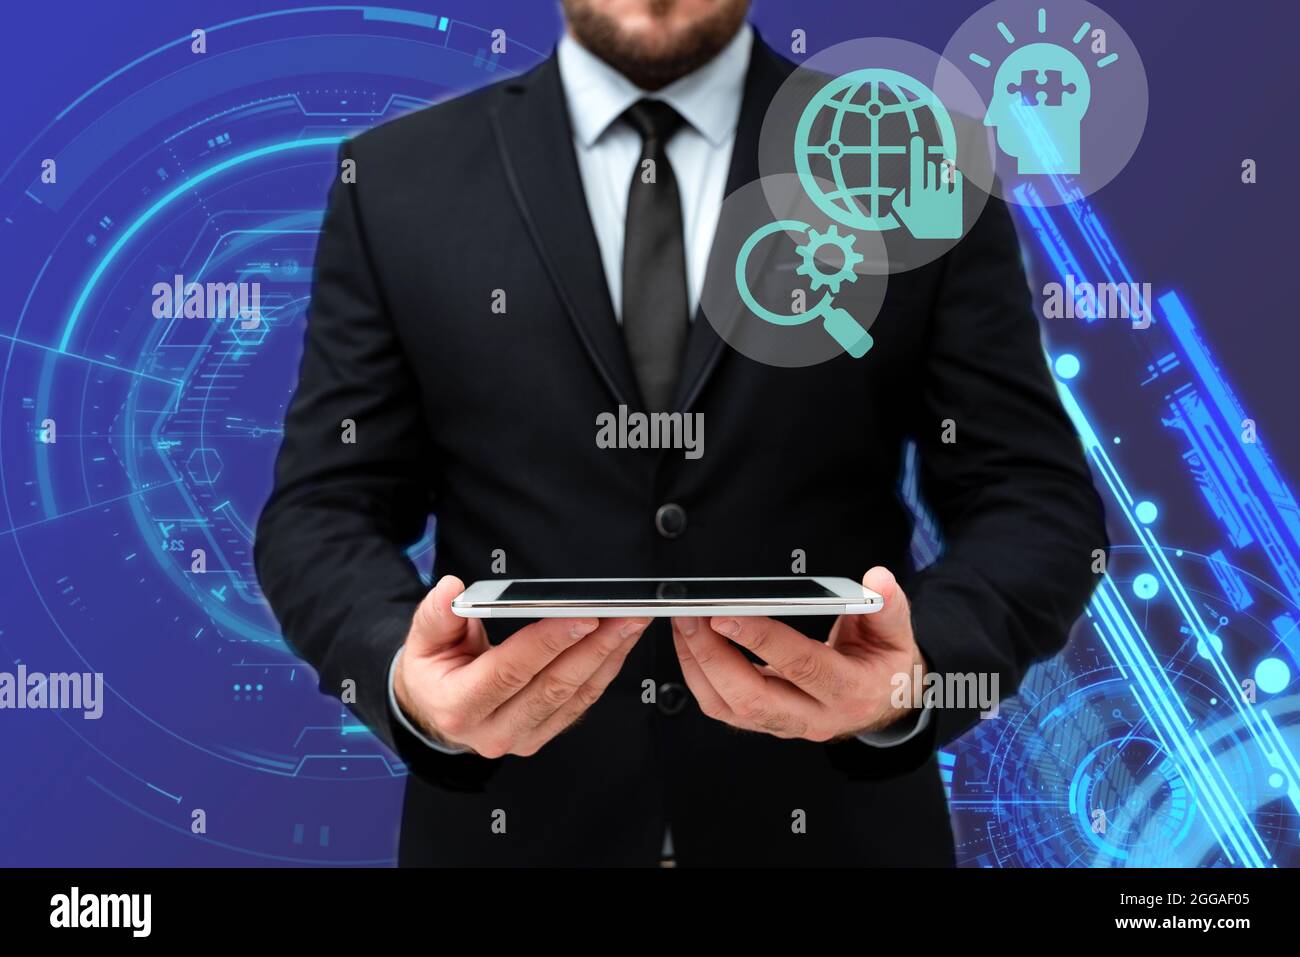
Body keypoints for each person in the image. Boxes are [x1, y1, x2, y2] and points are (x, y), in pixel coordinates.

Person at [255, 0, 1107, 866]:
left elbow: (1035, 500)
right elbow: (322, 509)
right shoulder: (399, 177)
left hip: (837, 834)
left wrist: (917, 673)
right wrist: (405, 678)